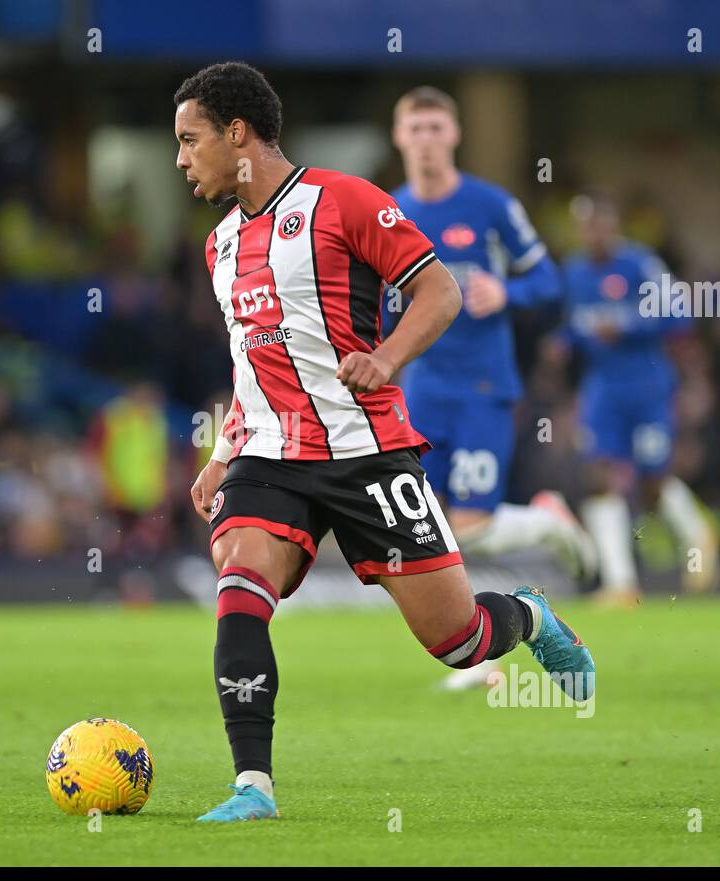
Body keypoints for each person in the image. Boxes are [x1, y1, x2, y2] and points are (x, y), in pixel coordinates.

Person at [177, 62, 595, 823]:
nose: (180, 158)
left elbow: (442, 289)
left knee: (458, 641)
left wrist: (388, 358)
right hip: (273, 455)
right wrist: (224, 449)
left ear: (237, 134)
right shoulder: (221, 248)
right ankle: (253, 788)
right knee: (239, 581)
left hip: (368, 451)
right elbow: (252, 364)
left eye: (189, 138)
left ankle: (531, 615)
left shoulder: (343, 201)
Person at [387, 86, 596, 688]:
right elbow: (377, 300)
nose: (425, 140)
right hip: (422, 388)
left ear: (453, 136)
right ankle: (477, 651)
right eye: (415, 129)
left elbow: (550, 285)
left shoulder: (491, 206)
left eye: (435, 128)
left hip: (483, 388)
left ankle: (547, 521)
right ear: (400, 138)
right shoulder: (388, 211)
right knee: (431, 530)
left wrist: (509, 293)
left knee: (470, 521)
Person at [555, 192, 718, 602]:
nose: (593, 232)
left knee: (651, 479)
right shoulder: (573, 272)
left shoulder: (640, 264)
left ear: (614, 226)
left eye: (600, 223)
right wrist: (560, 342)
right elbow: (576, 326)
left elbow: (680, 314)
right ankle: (620, 584)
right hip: (602, 390)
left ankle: (697, 533)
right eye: (586, 225)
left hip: (646, 386)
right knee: (598, 476)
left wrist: (626, 327)